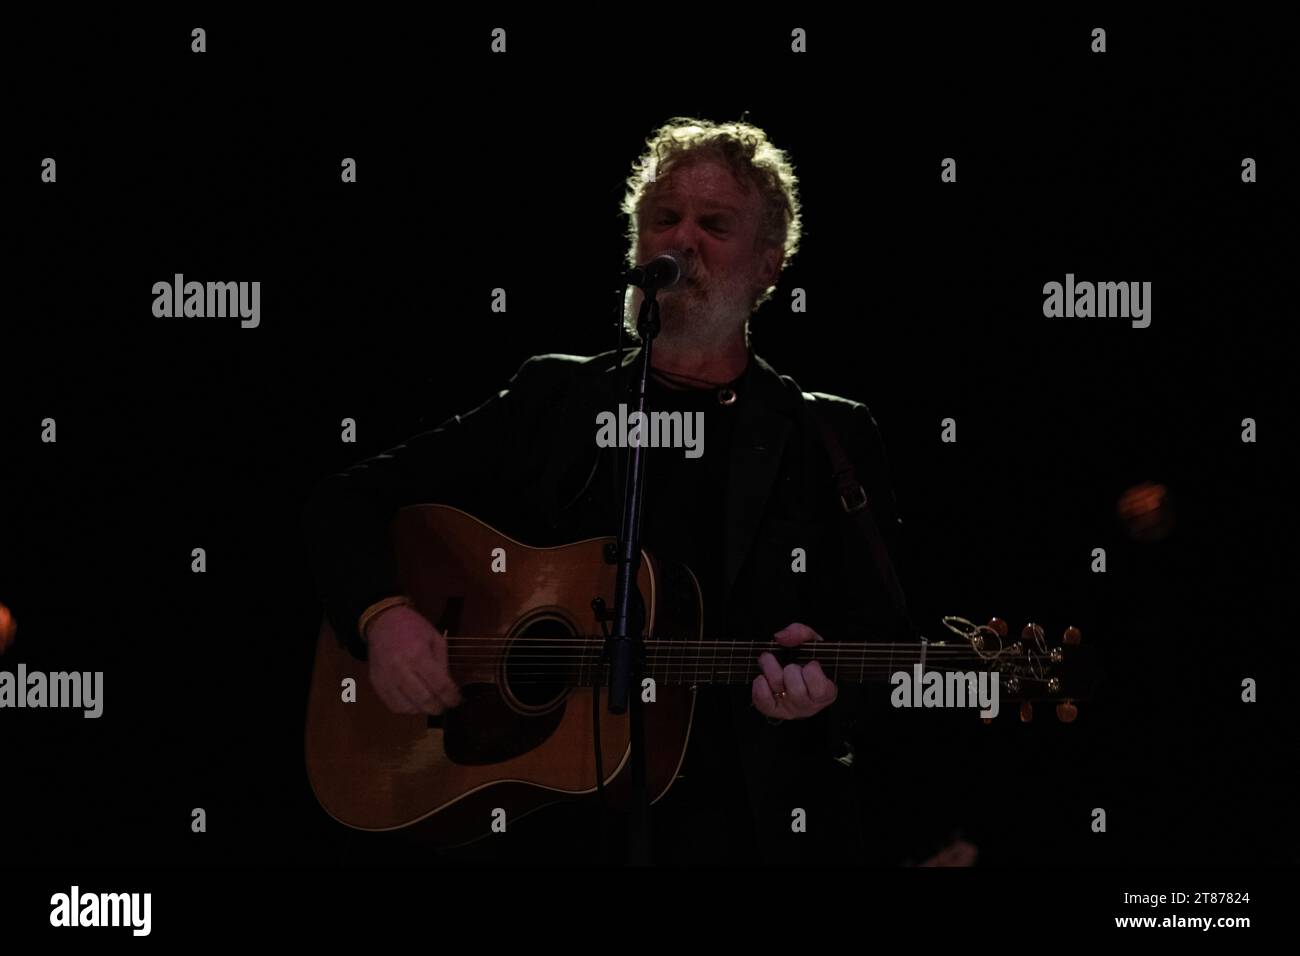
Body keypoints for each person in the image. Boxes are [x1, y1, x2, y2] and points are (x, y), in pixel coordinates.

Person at [302, 117, 973, 866]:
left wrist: (826, 693)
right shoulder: (553, 398)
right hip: (547, 830)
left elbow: (883, 650)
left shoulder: (829, 437)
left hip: (751, 829)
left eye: (714, 225)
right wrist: (383, 616)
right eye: (663, 218)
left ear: (768, 268)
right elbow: (345, 499)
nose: (680, 241)